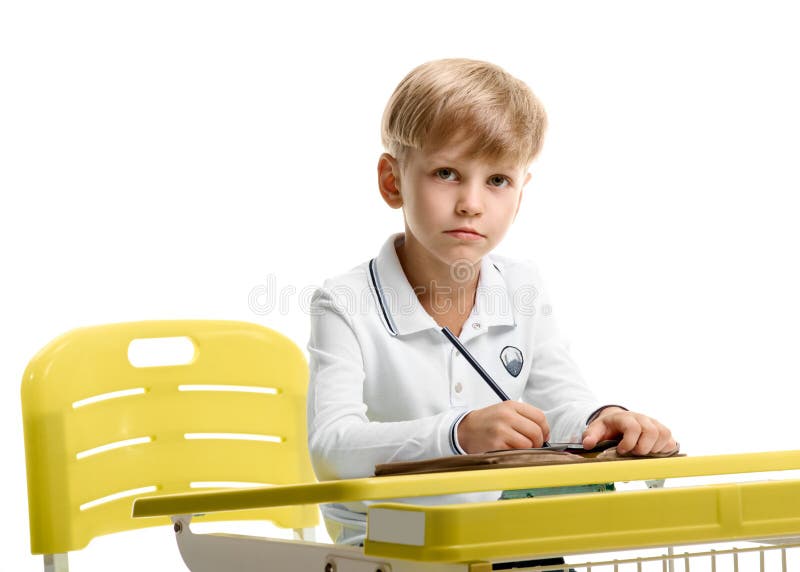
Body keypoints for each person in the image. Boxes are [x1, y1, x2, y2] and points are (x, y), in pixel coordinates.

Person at [306, 58, 676, 547]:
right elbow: (332, 448)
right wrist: (458, 434)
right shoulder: (344, 302)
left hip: (501, 540)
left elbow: (560, 400)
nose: (472, 203)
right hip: (390, 547)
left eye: (498, 180)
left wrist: (601, 422)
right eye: (446, 173)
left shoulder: (522, 286)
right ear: (392, 181)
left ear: (520, 194)